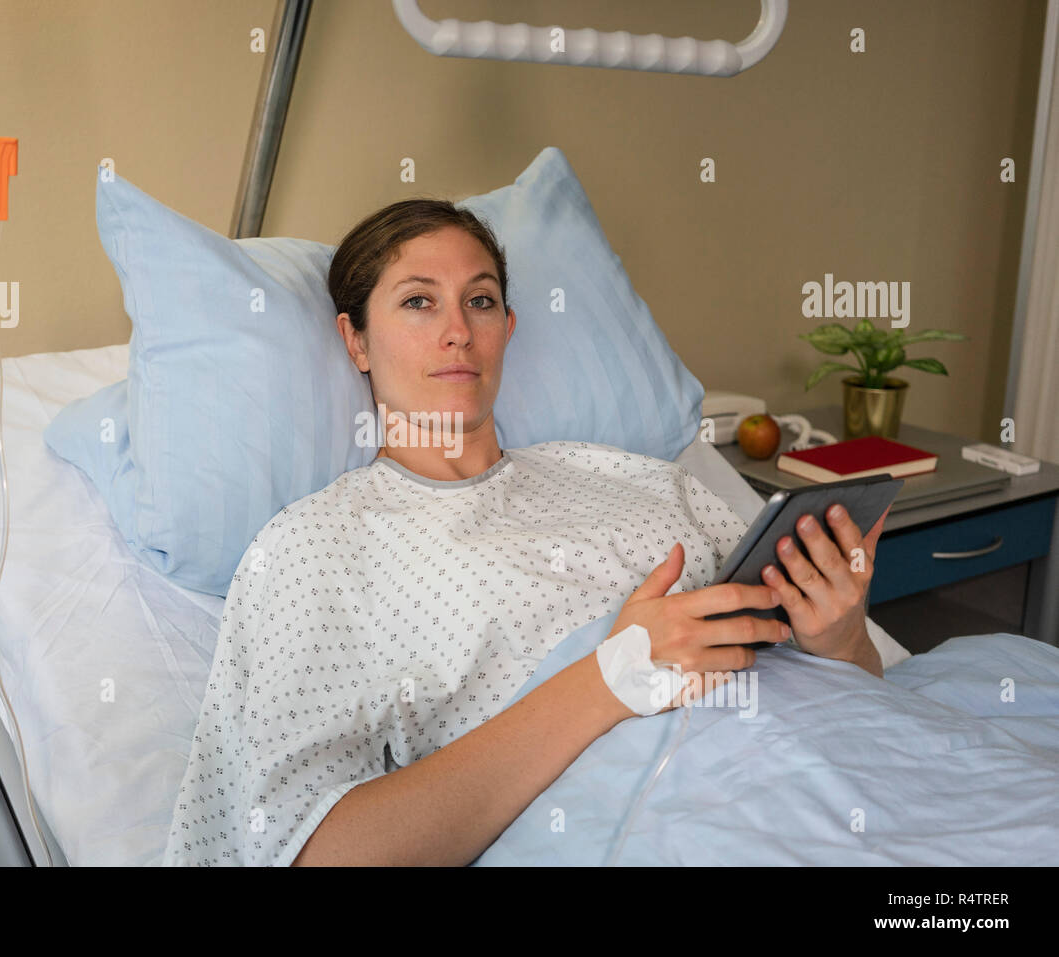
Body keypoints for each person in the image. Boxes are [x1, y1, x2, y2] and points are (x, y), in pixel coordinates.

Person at [162, 199, 886, 868]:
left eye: (480, 300)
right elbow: (310, 850)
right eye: (419, 301)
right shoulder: (317, 548)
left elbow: (850, 702)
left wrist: (843, 639)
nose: (457, 330)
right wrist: (614, 675)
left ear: (507, 329)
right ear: (354, 339)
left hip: (846, 789)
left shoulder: (638, 480)